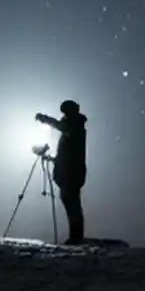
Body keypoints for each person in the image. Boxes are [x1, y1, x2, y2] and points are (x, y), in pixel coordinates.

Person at [35, 100, 87, 245]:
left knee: (72, 204)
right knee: (71, 203)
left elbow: (60, 126)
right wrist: (51, 159)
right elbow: (67, 155)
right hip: (70, 173)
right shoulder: (73, 128)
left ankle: (76, 238)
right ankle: (76, 237)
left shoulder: (74, 127)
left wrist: (44, 119)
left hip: (72, 174)